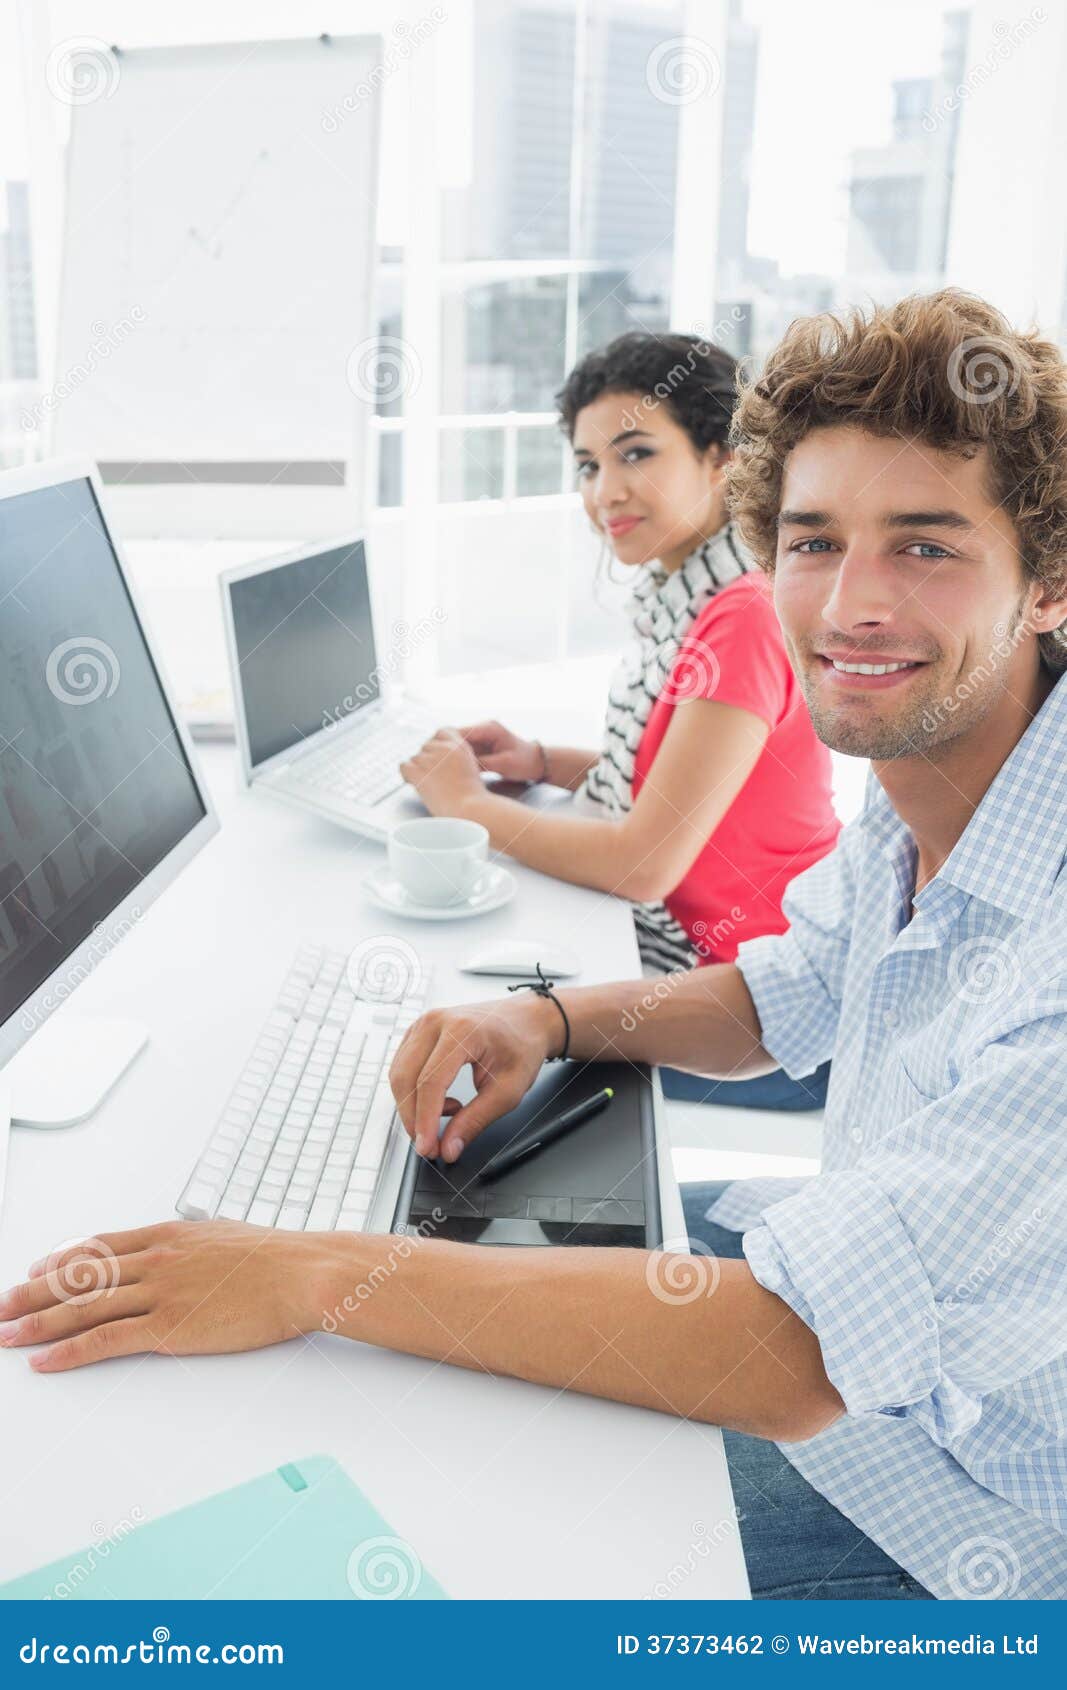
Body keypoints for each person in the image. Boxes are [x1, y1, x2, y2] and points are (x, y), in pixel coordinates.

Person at [5, 290, 1067, 1603]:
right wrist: (547, 1019)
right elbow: (776, 999)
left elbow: (789, 1358)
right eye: (810, 540)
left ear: (1047, 578)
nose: (848, 602)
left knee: (348, 1558)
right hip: (875, 1380)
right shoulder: (936, 790)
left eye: (923, 546)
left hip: (955, 1528)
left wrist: (311, 1270)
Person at [396, 334, 839, 1115]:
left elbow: (644, 865)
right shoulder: (698, 592)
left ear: (721, 458)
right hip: (717, 965)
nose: (605, 490)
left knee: (474, 1045)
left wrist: (465, 808)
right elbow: (679, 778)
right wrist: (541, 761)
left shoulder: (743, 616)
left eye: (635, 454)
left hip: (760, 1006)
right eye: (588, 465)